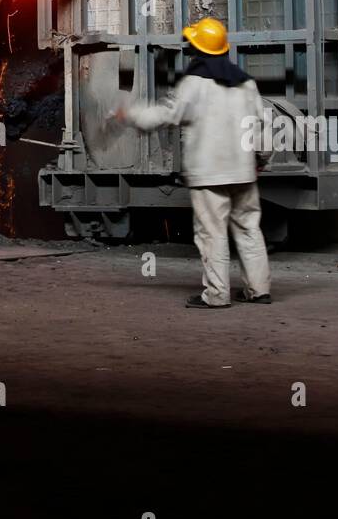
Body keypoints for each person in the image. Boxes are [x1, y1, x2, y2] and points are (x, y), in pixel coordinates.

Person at [111, 17, 271, 309]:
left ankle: (216, 295)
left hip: (209, 175)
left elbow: (163, 116)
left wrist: (130, 115)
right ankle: (258, 290)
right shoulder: (245, 83)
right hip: (244, 172)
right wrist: (260, 160)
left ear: (197, 49)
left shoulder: (194, 84)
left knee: (212, 233)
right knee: (249, 228)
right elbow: (261, 126)